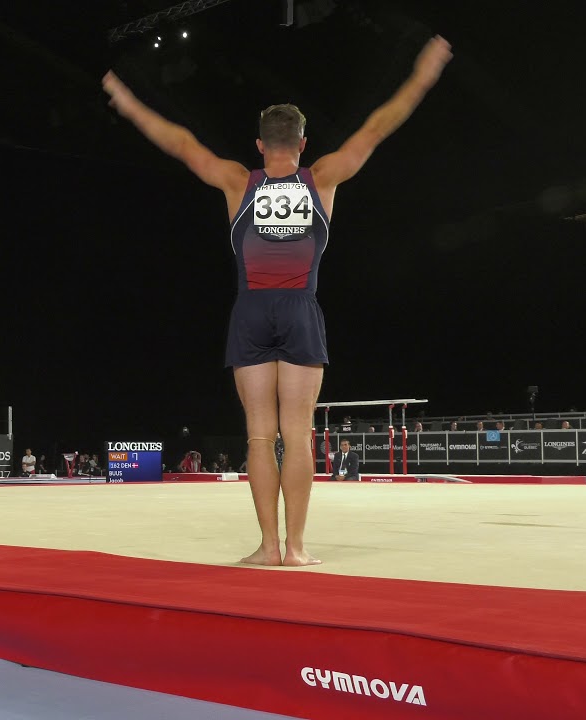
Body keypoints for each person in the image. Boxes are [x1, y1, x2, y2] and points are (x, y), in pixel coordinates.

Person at [103, 36, 452, 567]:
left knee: (260, 436)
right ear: (303, 143)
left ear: (260, 145)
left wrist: (127, 103)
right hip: (299, 310)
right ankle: (297, 547)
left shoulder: (236, 182)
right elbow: (379, 126)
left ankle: (267, 547)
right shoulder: (325, 178)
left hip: (250, 311)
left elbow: (178, 141)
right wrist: (422, 75)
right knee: (299, 433)